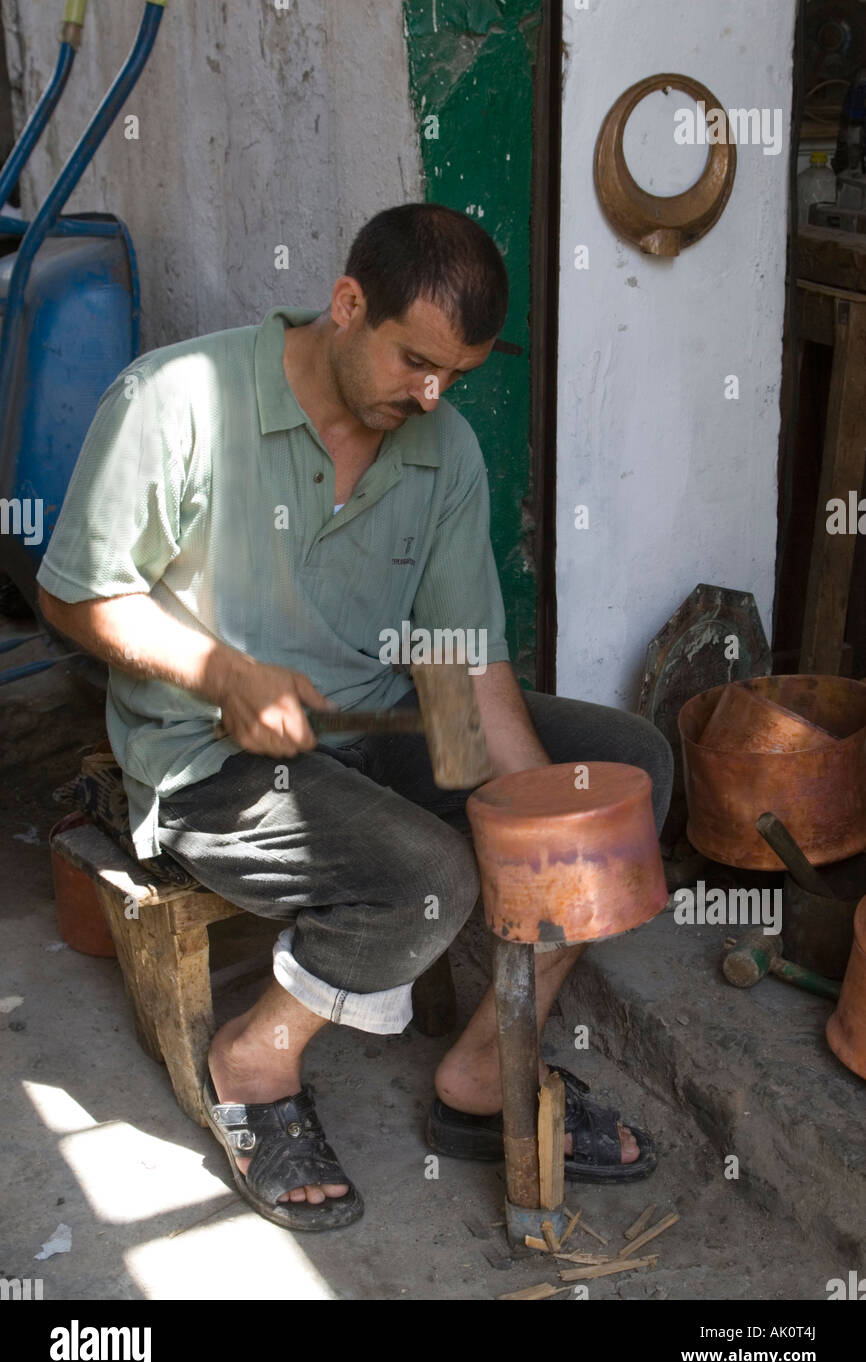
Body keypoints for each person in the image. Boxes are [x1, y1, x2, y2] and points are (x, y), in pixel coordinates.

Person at [36, 203, 673, 1232]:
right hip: (207, 750)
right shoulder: (176, 401)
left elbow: (461, 661)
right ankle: (252, 1062)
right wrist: (222, 671)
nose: (429, 395)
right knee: (425, 876)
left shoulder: (441, 448)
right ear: (344, 306)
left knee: (620, 779)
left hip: (390, 714)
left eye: (453, 377)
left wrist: (533, 809)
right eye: (413, 361)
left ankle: (479, 1077)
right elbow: (72, 594)